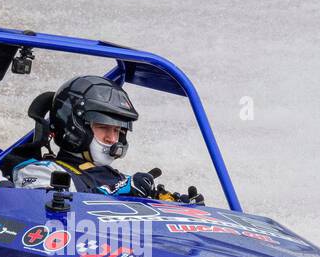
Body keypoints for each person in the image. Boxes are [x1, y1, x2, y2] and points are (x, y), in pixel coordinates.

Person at [11, 75, 202, 202]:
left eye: (117, 130)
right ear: (73, 127)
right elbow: (47, 211)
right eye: (103, 128)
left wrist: (176, 207)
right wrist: (120, 191)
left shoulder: (118, 179)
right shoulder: (40, 171)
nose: (112, 139)